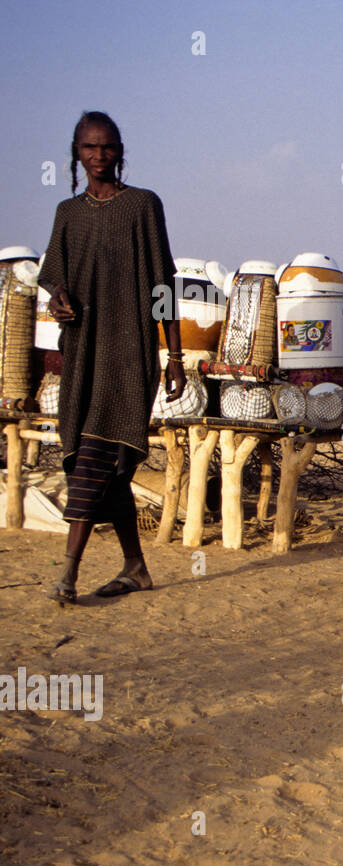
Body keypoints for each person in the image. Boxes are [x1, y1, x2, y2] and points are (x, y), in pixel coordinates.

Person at [38, 111, 184, 604]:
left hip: (128, 355)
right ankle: (136, 566)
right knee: (104, 463)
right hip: (81, 353)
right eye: (88, 148)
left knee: (93, 461)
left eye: (107, 147)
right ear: (75, 153)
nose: (98, 156)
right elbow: (56, 281)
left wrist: (176, 355)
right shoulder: (67, 214)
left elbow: (162, 283)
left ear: (121, 150)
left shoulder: (143, 206)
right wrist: (57, 301)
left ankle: (68, 575)